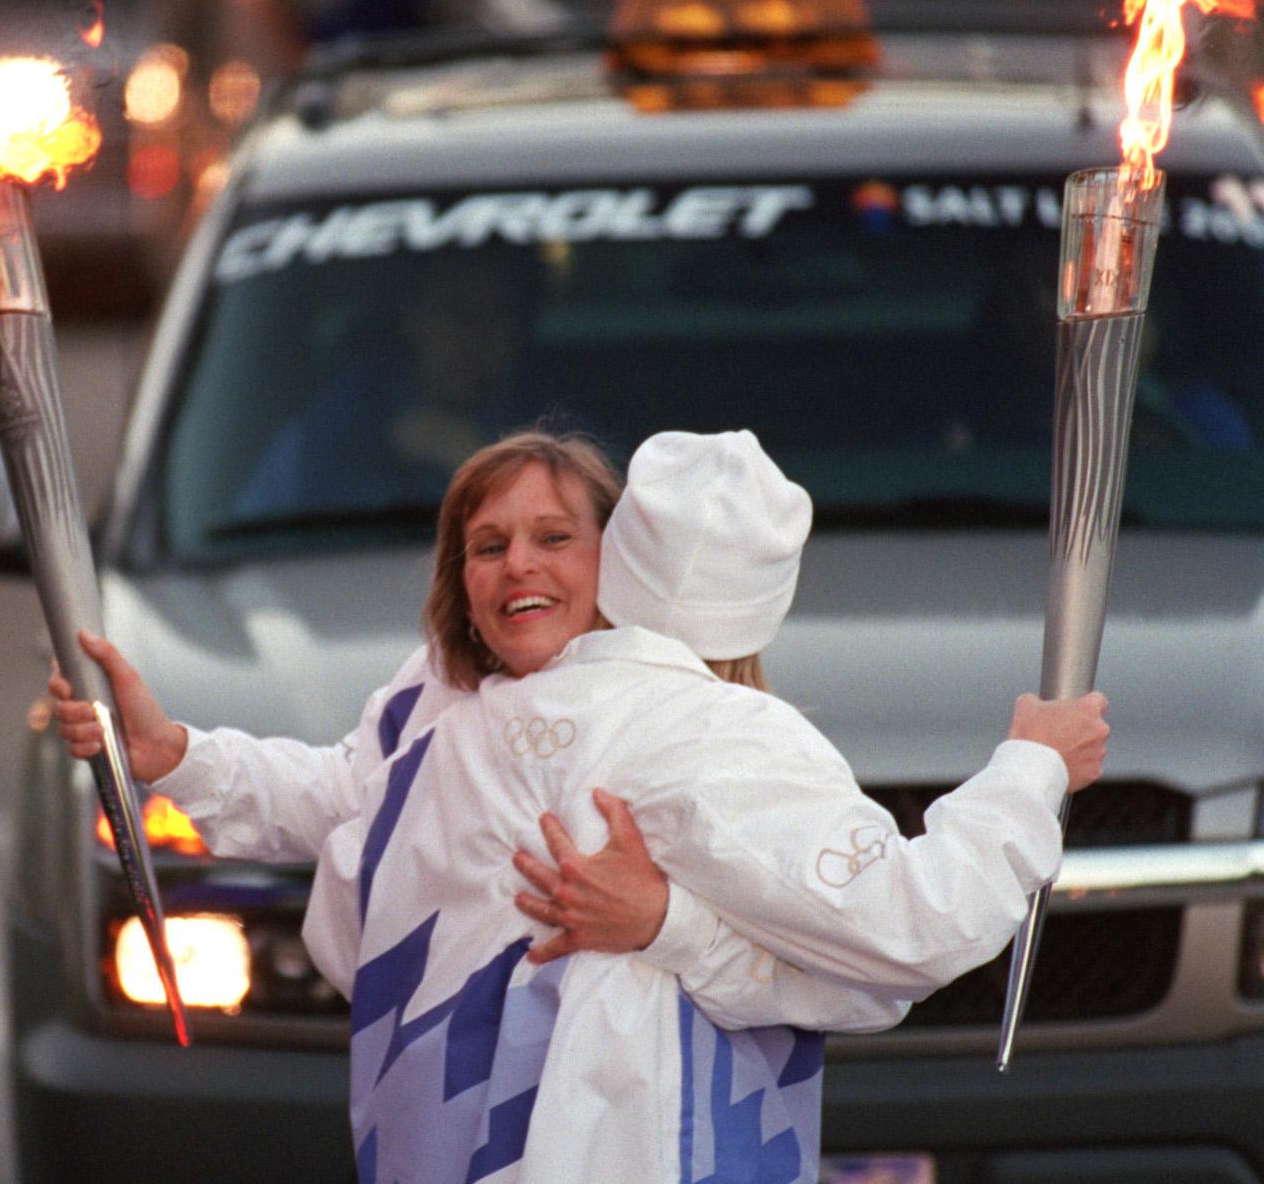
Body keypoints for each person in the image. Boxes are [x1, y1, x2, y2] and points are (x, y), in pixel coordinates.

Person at [298, 428, 1108, 1183]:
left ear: (617, 560)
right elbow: (914, 928)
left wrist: (672, 928)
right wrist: (1033, 767)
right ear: (761, 604)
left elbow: (344, 933)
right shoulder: (719, 738)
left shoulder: (446, 745)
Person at [52, 432, 915, 1038]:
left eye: (554, 537)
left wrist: (664, 922)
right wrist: (179, 756)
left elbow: (863, 974)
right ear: (459, 581)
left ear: (621, 563)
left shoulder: (695, 735)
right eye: (486, 545)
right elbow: (345, 795)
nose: (519, 565)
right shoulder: (427, 701)